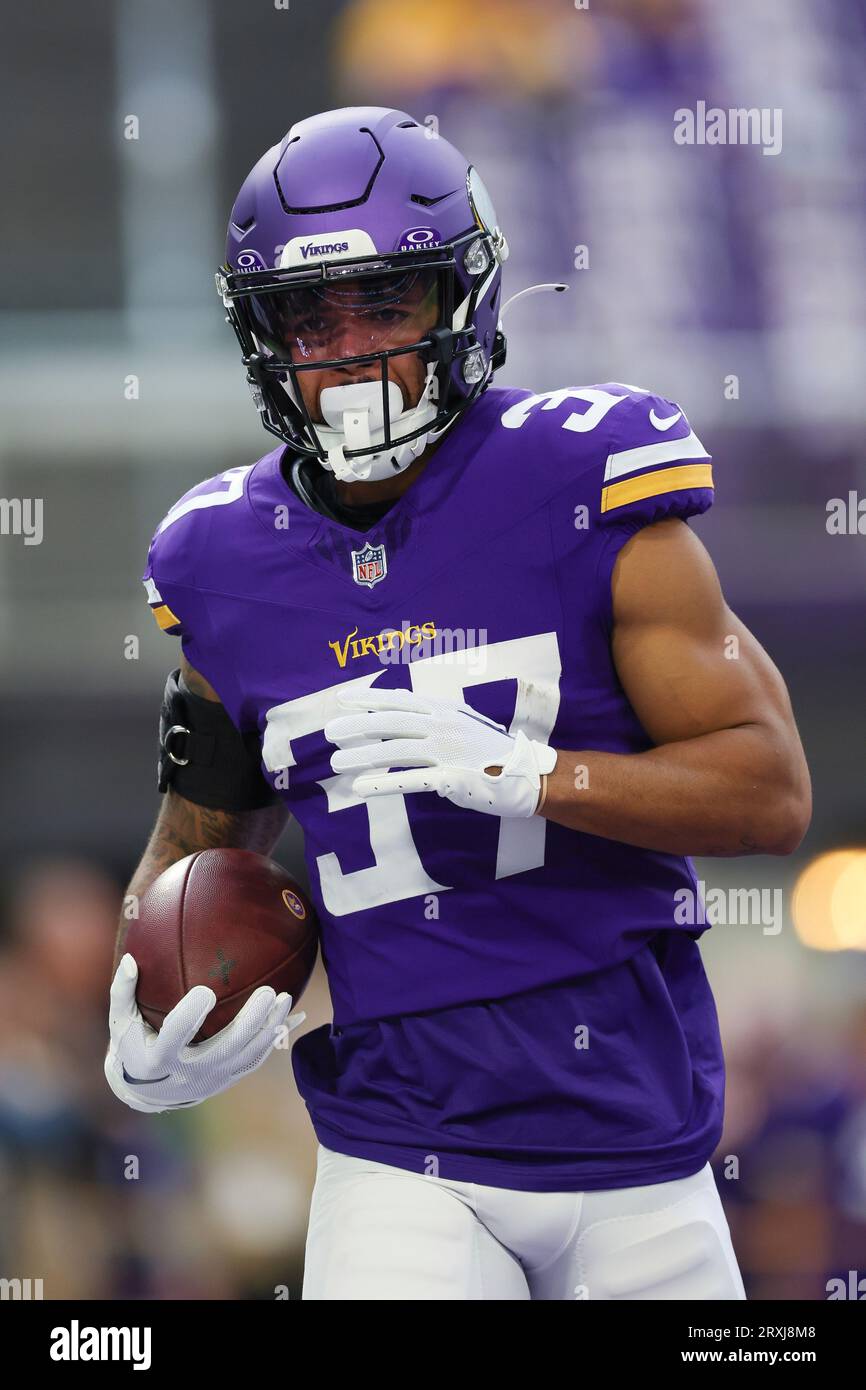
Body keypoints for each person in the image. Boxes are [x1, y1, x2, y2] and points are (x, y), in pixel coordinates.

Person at [104, 107, 811, 1300]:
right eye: (309, 319)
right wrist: (145, 1009)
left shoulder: (582, 476)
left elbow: (768, 789)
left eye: (385, 306)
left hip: (636, 1132)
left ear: (459, 301)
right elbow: (199, 844)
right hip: (399, 1140)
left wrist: (540, 778)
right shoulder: (219, 557)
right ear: (260, 334)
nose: (346, 354)